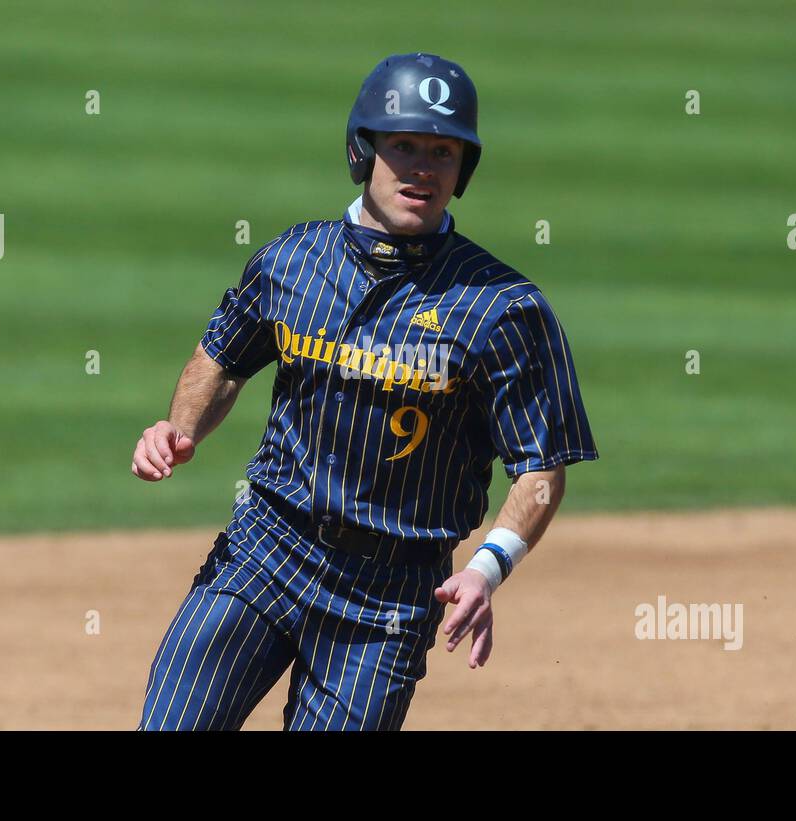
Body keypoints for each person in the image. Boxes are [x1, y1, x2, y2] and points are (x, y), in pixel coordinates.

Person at [133, 52, 599, 730]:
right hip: (264, 552)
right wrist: (179, 428)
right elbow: (224, 359)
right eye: (403, 145)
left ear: (463, 169)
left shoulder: (503, 307)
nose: (422, 168)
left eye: (443, 151)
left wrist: (487, 569)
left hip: (389, 598)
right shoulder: (293, 260)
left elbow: (540, 469)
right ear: (363, 150)